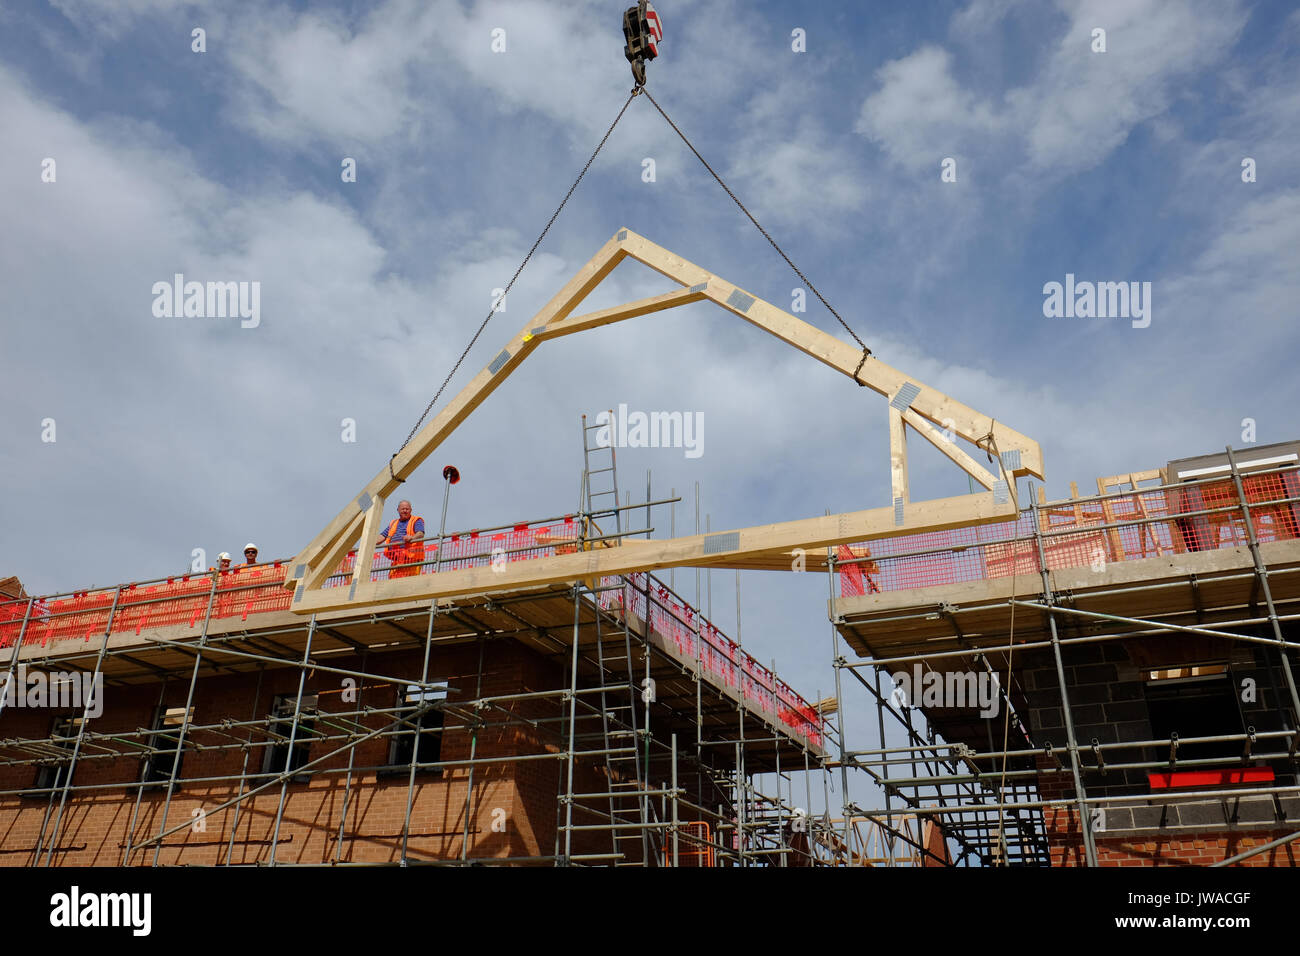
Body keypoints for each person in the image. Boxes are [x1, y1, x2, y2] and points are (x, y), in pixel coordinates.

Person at [377, 501, 425, 578]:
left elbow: (420, 533)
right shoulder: (393, 523)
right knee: (392, 582)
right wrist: (369, 542)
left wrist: (412, 537)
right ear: (398, 510)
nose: (405, 511)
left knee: (408, 582)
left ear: (411, 510)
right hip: (397, 560)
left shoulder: (416, 520)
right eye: (403, 509)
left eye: (407, 509)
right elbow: (382, 536)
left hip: (412, 560)